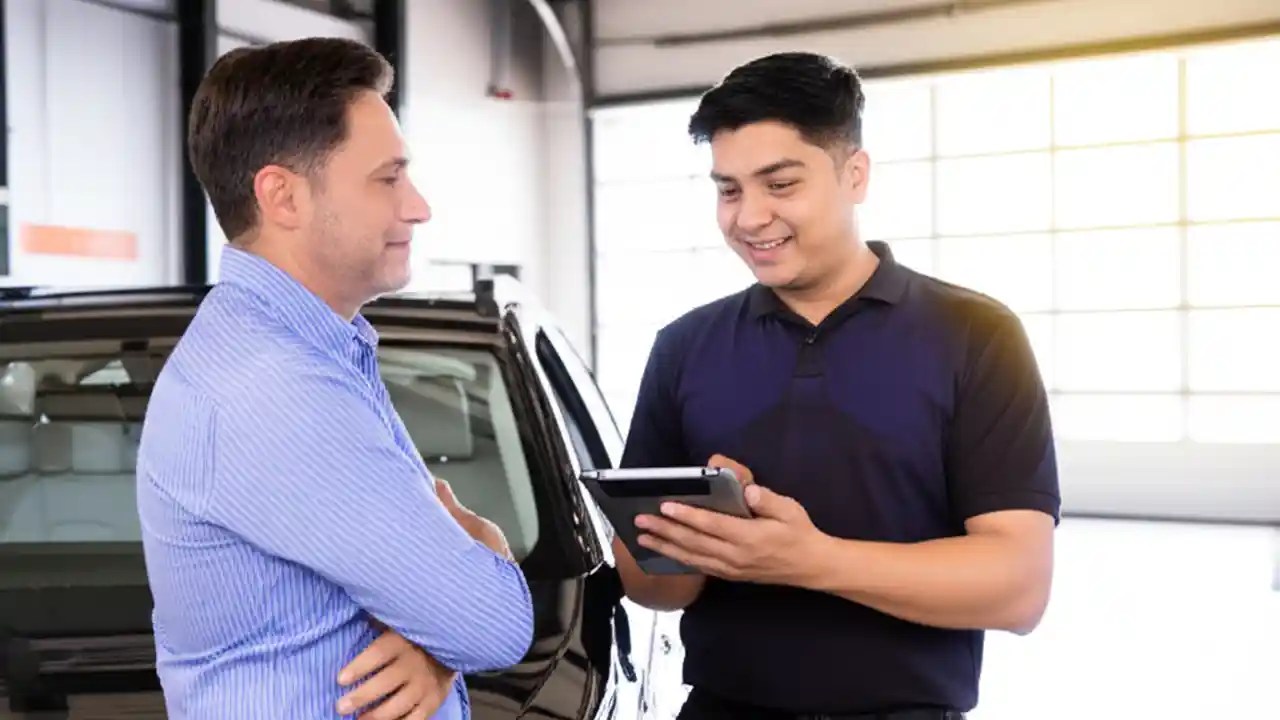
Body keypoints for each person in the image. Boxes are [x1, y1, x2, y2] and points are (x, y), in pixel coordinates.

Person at [610, 52, 1060, 719]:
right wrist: (705, 538)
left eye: (780, 184)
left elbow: (1018, 588)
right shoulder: (685, 347)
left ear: (855, 175)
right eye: (729, 190)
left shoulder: (976, 334)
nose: (749, 218)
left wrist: (810, 559)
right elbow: (650, 585)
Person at [135, 37, 533, 719]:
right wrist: (485, 546)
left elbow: (439, 616)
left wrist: (433, 641)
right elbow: (491, 623)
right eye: (388, 178)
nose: (418, 207)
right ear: (282, 196)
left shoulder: (298, 348)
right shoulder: (272, 389)